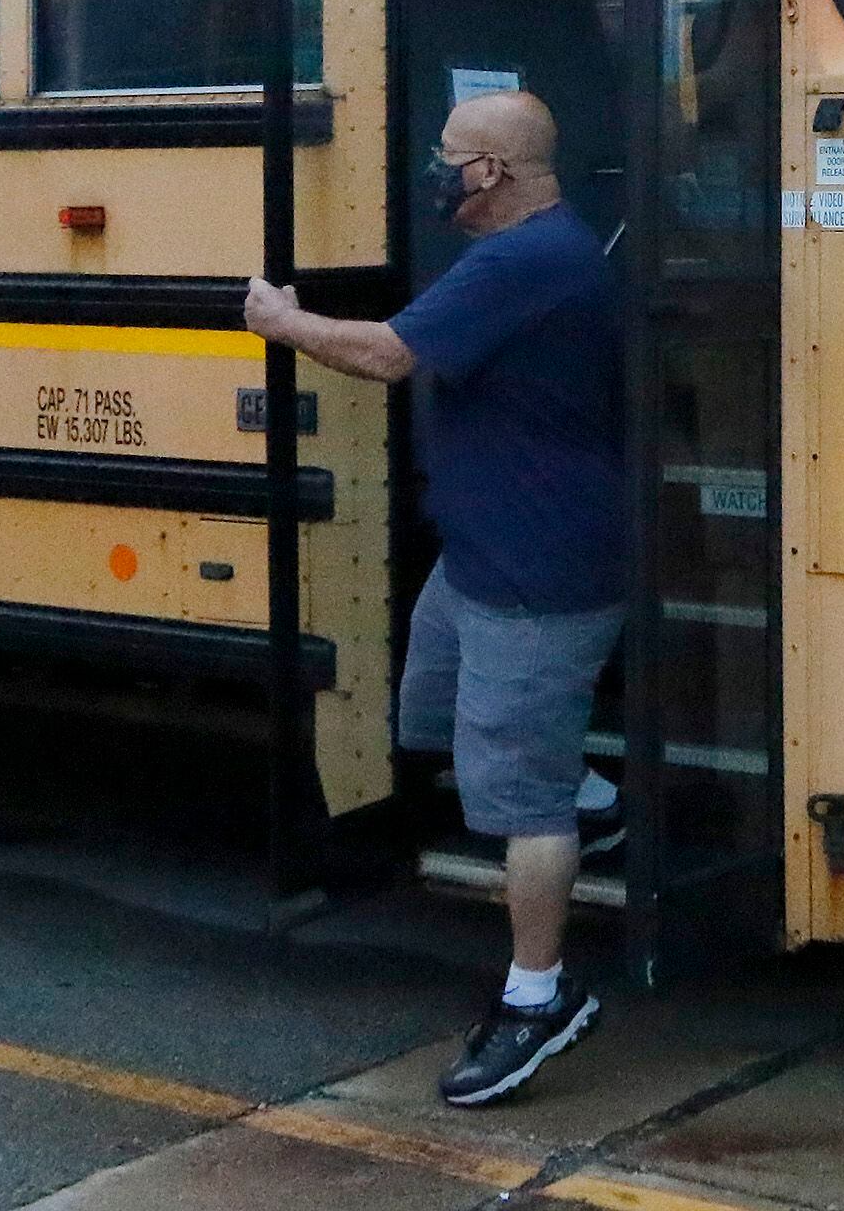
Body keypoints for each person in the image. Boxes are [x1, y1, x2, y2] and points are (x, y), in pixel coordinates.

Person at [244, 87, 626, 1107]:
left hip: (534, 575)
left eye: (447, 152)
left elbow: (386, 353)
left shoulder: (521, 262)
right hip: (482, 561)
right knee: (433, 711)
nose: (434, 166)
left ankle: (540, 994)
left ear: (491, 171)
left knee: (518, 796)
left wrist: (282, 321)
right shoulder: (539, 250)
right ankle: (593, 794)